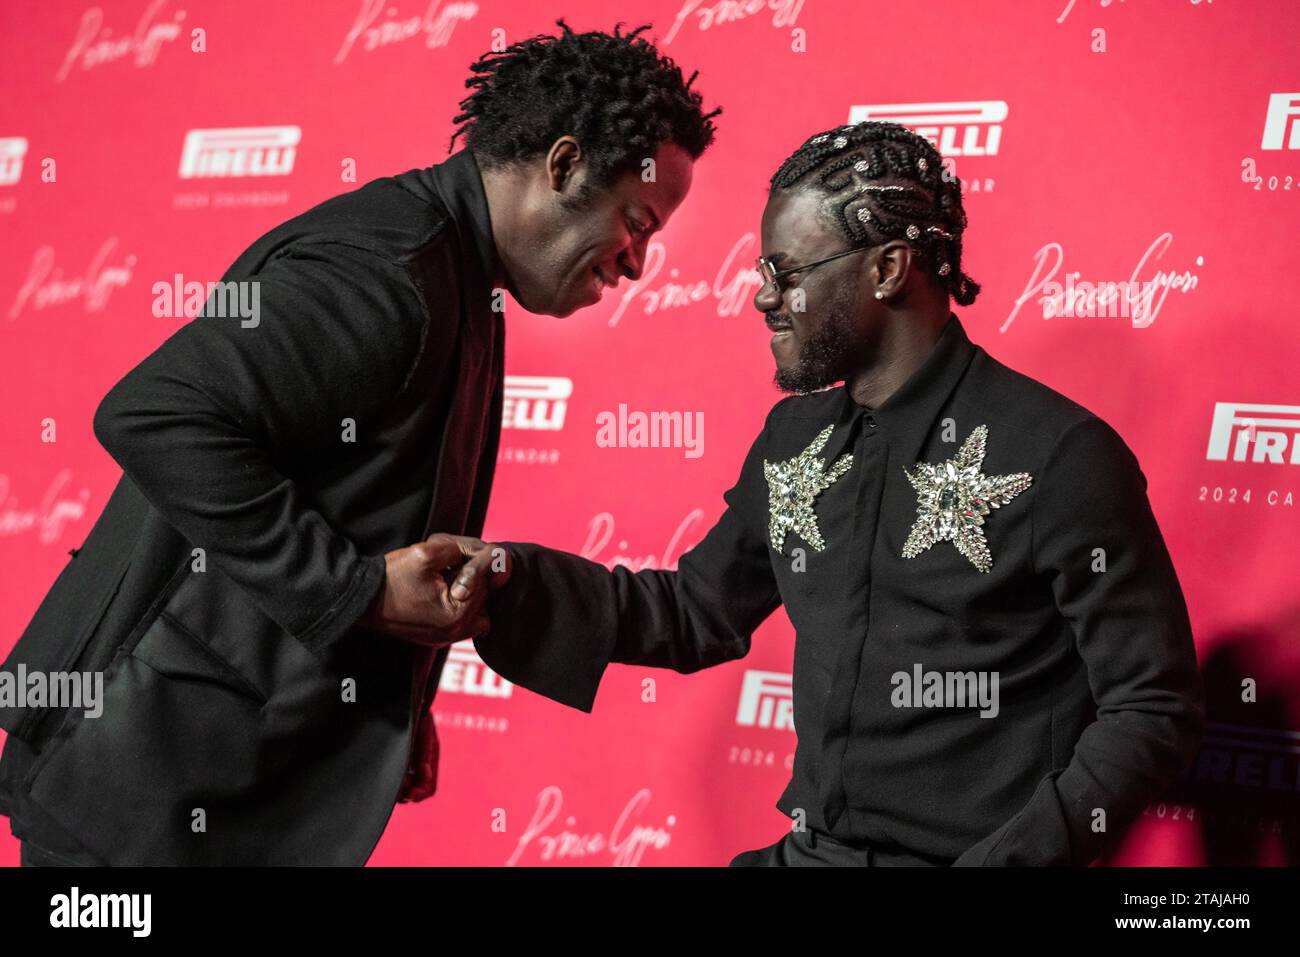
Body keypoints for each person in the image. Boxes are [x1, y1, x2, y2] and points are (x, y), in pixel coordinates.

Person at [0, 20, 719, 866]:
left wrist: (402, 704)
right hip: (141, 789)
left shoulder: (462, 270)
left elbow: (369, 503)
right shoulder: (384, 270)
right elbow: (156, 414)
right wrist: (354, 592)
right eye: (636, 223)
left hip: (219, 783)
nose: (636, 264)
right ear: (562, 167)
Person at [461, 120, 1206, 866]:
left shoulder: (1062, 454)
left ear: (886, 268)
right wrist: (506, 581)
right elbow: (694, 610)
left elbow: (1152, 708)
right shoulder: (796, 437)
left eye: (787, 272)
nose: (763, 298)